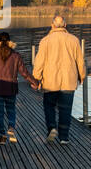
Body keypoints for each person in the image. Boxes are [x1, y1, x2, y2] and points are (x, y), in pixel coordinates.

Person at [32, 14, 86, 145]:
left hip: (50, 82)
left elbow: (39, 62)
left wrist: (36, 77)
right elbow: (80, 61)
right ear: (65, 25)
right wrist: (82, 76)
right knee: (65, 109)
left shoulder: (45, 41)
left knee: (49, 105)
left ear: (52, 25)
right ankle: (64, 137)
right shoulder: (74, 40)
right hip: (68, 81)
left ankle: (52, 127)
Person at [0, 32, 38, 144]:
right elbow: (24, 73)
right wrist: (35, 82)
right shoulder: (16, 56)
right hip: (11, 89)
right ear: (9, 42)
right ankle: (11, 127)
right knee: (11, 109)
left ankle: (2, 136)